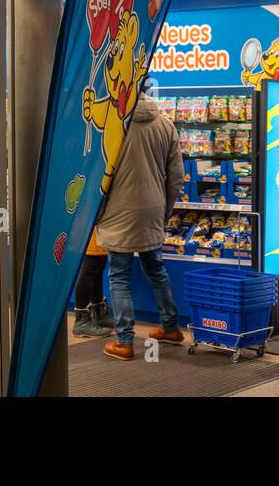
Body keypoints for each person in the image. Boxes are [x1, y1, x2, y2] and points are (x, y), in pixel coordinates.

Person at [95, 78, 186, 361]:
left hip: (119, 210)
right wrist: (165, 210)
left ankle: (124, 341)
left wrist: (96, 214)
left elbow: (99, 175)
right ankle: (170, 326)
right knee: (155, 268)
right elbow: (177, 177)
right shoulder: (165, 125)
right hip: (152, 208)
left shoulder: (114, 125)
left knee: (119, 275)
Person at [71, 230, 115, 337]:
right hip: (92, 233)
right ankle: (81, 322)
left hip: (101, 232)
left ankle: (99, 316)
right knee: (89, 270)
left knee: (97, 269)